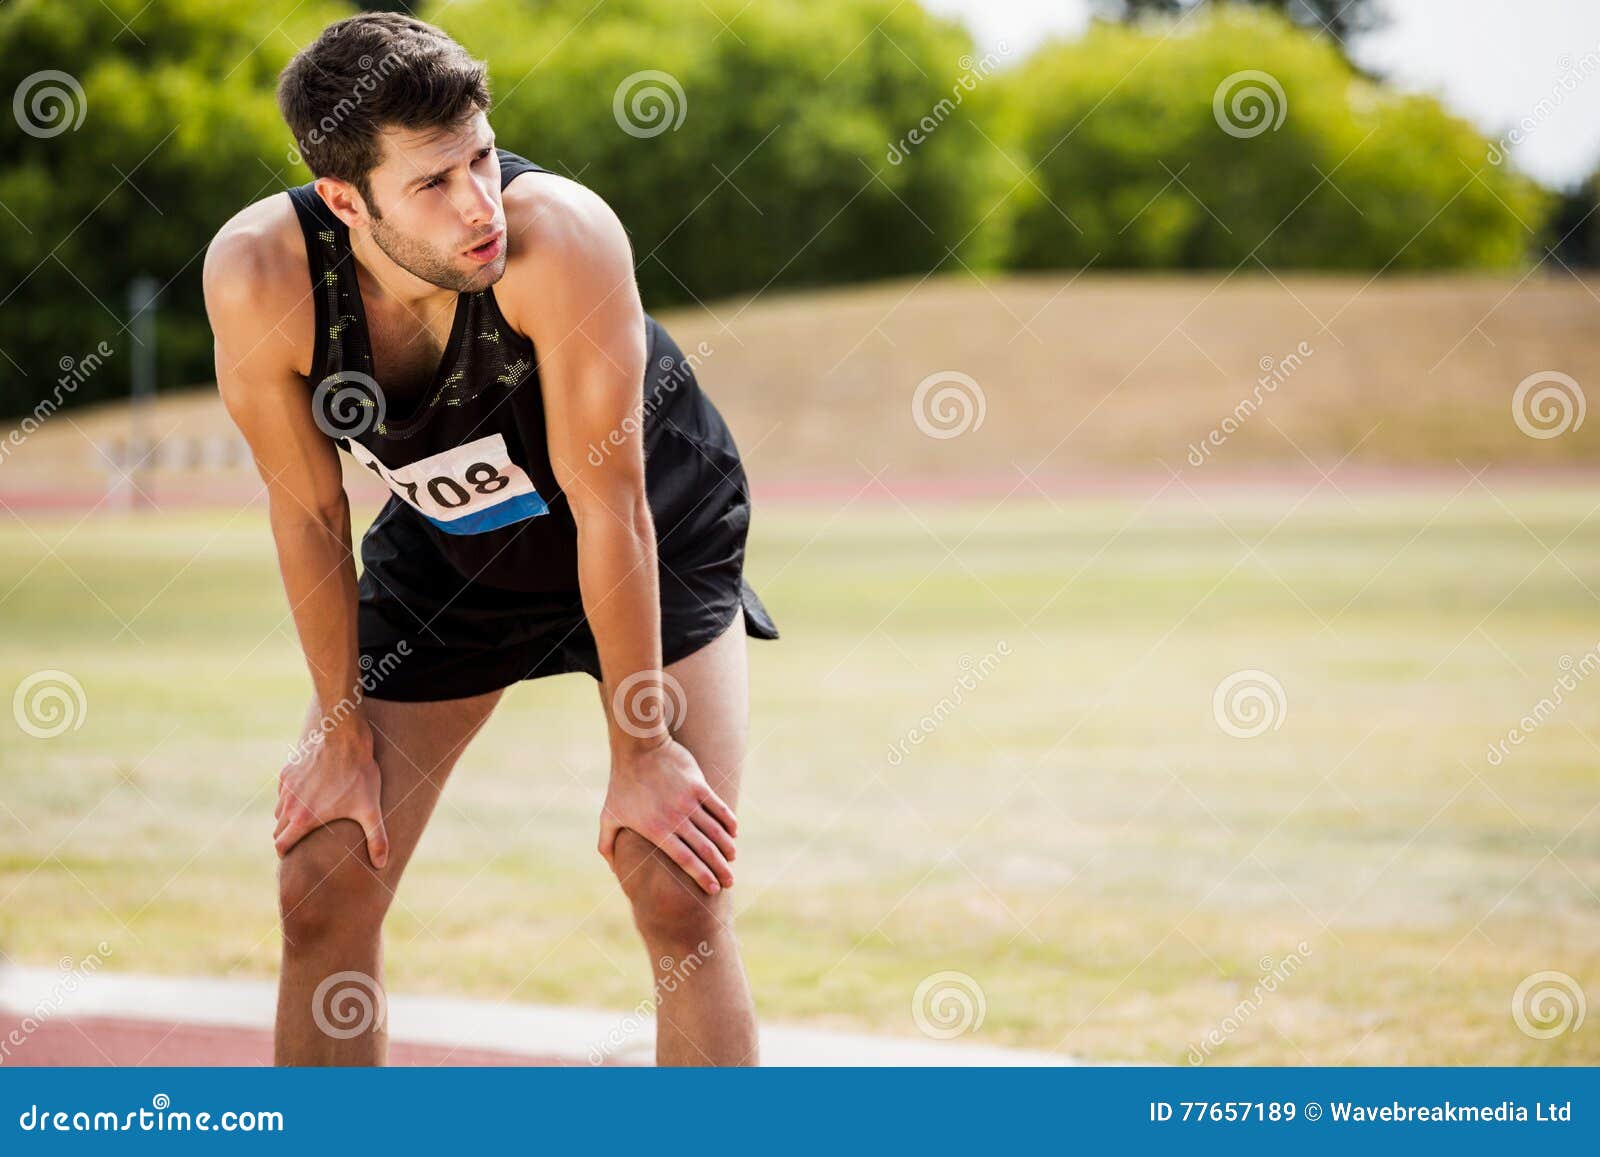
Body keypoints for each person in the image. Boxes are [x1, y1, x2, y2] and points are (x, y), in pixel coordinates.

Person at [201, 11, 778, 1067]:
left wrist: (641, 750)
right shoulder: (260, 279)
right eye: (432, 183)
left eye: (481, 157)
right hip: (455, 546)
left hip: (650, 527)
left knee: (675, 883)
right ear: (343, 200)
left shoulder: (557, 239)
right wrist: (336, 727)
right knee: (325, 876)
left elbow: (610, 503)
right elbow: (312, 509)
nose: (479, 205)